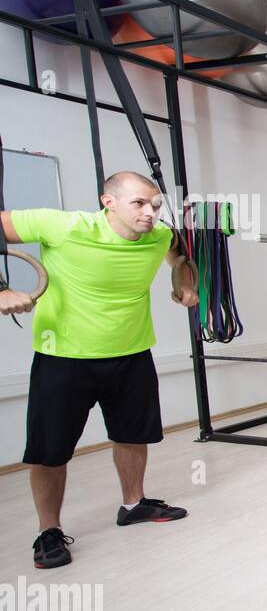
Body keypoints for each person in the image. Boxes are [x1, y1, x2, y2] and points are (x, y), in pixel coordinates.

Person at [1, 171, 198, 570]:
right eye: (139, 204)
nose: (150, 213)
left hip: (131, 353)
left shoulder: (158, 235)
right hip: (64, 358)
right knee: (50, 450)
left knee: (132, 436)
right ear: (108, 203)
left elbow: (181, 255)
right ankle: (49, 531)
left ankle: (133, 504)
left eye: (156, 205)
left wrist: (187, 284)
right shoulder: (63, 225)